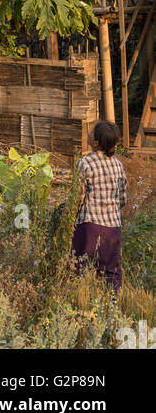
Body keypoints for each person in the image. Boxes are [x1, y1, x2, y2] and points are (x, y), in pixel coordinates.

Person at [72, 120, 127, 291]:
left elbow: (78, 197)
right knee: (112, 273)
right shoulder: (118, 165)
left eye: (92, 132)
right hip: (113, 229)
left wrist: (70, 217)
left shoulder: (84, 162)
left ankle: (79, 307)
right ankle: (112, 310)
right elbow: (122, 197)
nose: (88, 133)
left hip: (89, 226)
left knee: (79, 269)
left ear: (96, 143)